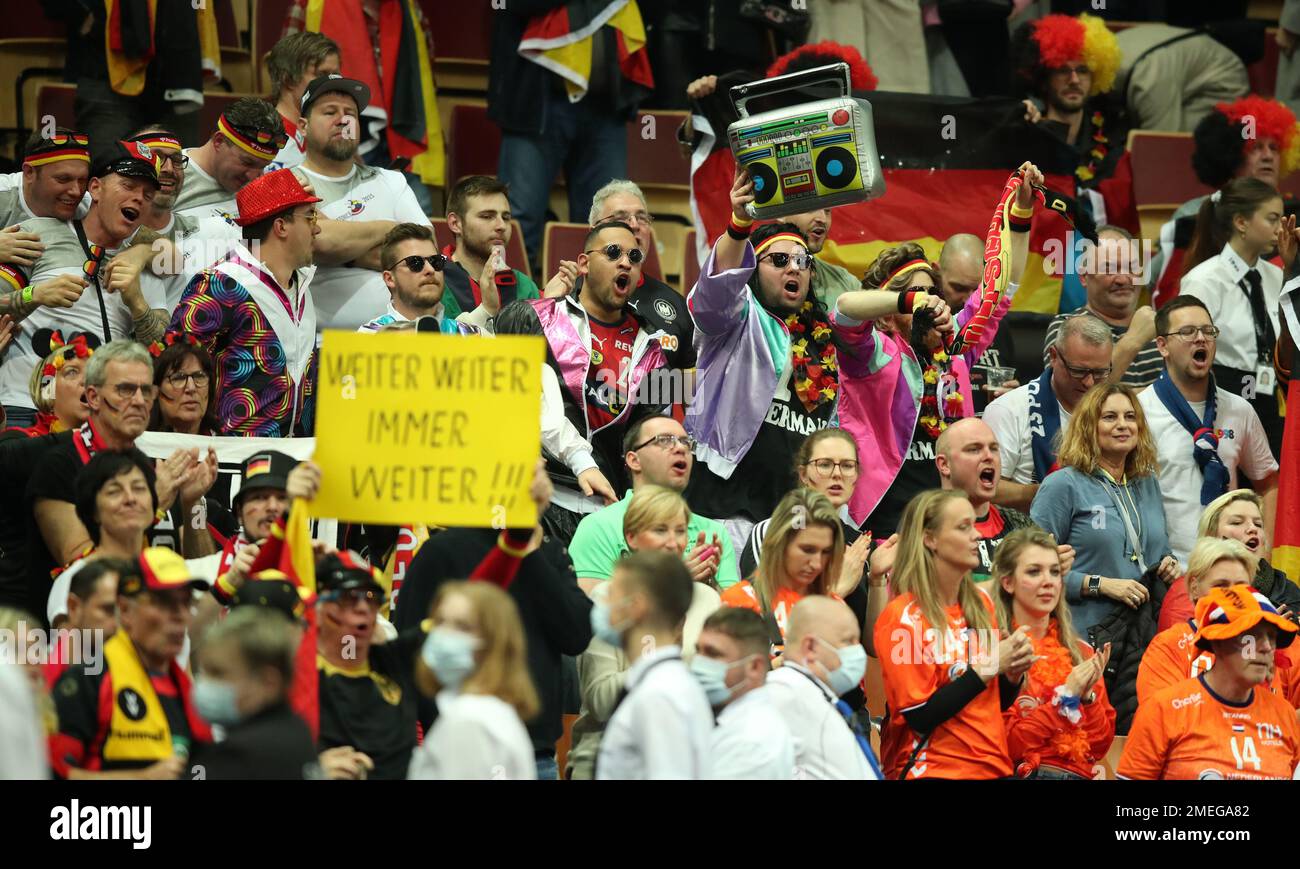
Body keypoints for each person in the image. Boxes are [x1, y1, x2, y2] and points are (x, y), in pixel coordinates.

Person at [833, 165, 1035, 533]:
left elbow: (1003, 288)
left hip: (949, 520)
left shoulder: (955, 348)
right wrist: (909, 300)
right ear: (889, 313)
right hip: (883, 522)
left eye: (933, 293)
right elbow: (845, 308)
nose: (929, 303)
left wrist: (1021, 215)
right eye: (915, 296)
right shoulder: (871, 353)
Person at [685, 168, 852, 549]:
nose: (794, 267)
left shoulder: (822, 333)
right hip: (724, 512)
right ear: (752, 272)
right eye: (778, 260)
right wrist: (739, 224)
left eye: (802, 260)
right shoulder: (736, 317)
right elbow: (713, 295)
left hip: (792, 520)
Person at [396, 459, 592, 781]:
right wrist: (443, 722)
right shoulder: (441, 553)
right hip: (456, 749)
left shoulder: (548, 551)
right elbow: (409, 649)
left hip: (536, 754)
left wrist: (528, 550)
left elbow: (576, 634)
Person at [27, 341, 217, 619]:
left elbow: (200, 570)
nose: (139, 401)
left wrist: (192, 506)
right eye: (126, 390)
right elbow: (83, 569)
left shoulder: (155, 466)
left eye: (145, 390)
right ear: (93, 397)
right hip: (86, 644)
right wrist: (154, 508)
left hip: (156, 632)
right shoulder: (59, 465)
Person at [0, 140, 172, 427]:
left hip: (101, 418)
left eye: (148, 194)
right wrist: (36, 295)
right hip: (24, 406)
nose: (140, 198)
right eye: (128, 186)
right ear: (95, 188)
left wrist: (137, 302)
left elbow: (163, 357)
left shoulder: (145, 265)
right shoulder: (38, 234)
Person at [529, 220, 670, 542]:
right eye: (613, 252)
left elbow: (653, 435)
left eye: (634, 257)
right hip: (542, 496)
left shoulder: (655, 350)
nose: (626, 262)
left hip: (609, 508)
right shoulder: (536, 318)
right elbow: (527, 403)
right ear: (583, 263)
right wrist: (580, 463)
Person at [874, 489, 1030, 780]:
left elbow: (996, 703)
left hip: (994, 766)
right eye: (963, 527)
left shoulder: (981, 605)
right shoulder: (901, 616)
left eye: (974, 525)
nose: (976, 536)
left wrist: (1012, 674)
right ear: (929, 539)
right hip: (935, 769)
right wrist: (991, 665)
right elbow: (920, 716)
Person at [490, 2, 649, 263]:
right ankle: (509, 301)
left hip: (605, 107)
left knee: (607, 223)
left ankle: (597, 302)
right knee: (519, 220)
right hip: (535, 103)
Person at [169, 168, 321, 437]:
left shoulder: (302, 286)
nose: (318, 228)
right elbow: (174, 367)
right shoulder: (218, 285)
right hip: (235, 454)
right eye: (309, 217)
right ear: (281, 226)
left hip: (297, 453)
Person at [1138, 296, 1278, 564]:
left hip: (1232, 569)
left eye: (1208, 331)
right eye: (1188, 332)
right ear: (1162, 346)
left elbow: (1269, 483)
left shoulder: (1239, 409)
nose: (1201, 338)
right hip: (1169, 570)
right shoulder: (1141, 412)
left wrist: (1264, 555)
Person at [1029, 383, 1178, 635]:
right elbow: (1031, 571)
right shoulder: (1063, 485)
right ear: (1089, 427)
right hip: (1086, 634)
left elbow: (1159, 549)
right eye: (1110, 417)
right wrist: (1101, 585)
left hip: (1145, 632)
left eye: (1130, 417)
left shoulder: (1147, 482)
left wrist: (1169, 562)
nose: (1123, 424)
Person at [48, 548, 211, 779]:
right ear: (124, 610)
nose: (179, 615)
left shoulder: (187, 692)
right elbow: (47, 773)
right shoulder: (89, 680)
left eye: (185, 602)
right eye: (164, 603)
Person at [1119, 584, 1300, 779]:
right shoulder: (1163, 710)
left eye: (1272, 638)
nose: (1266, 647)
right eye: (1252, 636)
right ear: (1218, 640)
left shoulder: (1285, 715)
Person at [294, 74, 432, 330]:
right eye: (330, 112)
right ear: (303, 126)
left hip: (406, 339)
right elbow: (322, 241)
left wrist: (345, 255)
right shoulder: (290, 183)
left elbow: (423, 251)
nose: (343, 120)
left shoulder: (390, 180)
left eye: (350, 113)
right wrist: (391, 228)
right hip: (326, 344)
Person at [993, 527, 1115, 780]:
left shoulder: (1080, 652)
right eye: (1034, 571)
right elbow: (1008, 746)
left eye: (1055, 572)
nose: (1048, 581)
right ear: (1007, 582)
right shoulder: (996, 649)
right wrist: (1066, 698)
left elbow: (1099, 746)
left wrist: (1088, 698)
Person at [1151, 96, 1297, 304]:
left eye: (1274, 148)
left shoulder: (1295, 214)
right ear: (1233, 154)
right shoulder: (1193, 213)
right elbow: (1159, 281)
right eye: (1256, 147)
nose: (1267, 156)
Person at [1179, 177, 1287, 457]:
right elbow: (1187, 351)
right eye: (1272, 219)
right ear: (1241, 222)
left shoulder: (1276, 276)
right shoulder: (1204, 280)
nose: (1280, 228)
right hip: (1222, 393)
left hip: (1271, 393)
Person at [569, 415, 736, 594]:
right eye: (664, 440)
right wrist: (678, 582)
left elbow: (733, 616)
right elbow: (591, 612)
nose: (680, 448)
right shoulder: (599, 526)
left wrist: (709, 583)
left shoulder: (714, 532)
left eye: (686, 442)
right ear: (634, 460)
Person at [593, 551, 714, 779]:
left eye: (611, 595)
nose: (603, 605)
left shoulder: (659, 696)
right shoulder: (661, 685)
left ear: (636, 607)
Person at [407, 582, 539, 780]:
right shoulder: (490, 711)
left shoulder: (467, 720)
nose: (444, 635)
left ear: (494, 641)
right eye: (440, 622)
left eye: (463, 626)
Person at [984, 312, 1115, 511]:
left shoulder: (1118, 413)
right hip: (1028, 534)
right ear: (1054, 357)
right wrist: (1058, 491)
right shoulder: (1008, 410)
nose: (1089, 382)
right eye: (1078, 371)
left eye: (1100, 373)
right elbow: (988, 489)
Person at [314, 549, 425, 781]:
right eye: (348, 598)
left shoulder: (393, 661)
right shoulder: (299, 676)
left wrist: (511, 546)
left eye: (371, 598)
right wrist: (309, 772)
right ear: (319, 607)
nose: (363, 608)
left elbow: (465, 610)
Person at [935, 417, 1075, 585]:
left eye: (994, 449)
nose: (989, 456)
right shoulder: (926, 528)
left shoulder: (1020, 525)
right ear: (944, 465)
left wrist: (1050, 570)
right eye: (974, 449)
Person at [187, 606, 318, 780]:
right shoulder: (296, 729)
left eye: (218, 673)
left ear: (268, 682)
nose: (204, 684)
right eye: (204, 672)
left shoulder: (241, 754)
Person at [1136, 538, 1272, 705]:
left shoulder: (1261, 647)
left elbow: (1267, 714)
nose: (1231, 596)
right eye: (1220, 585)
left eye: (1240, 587)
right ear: (1194, 588)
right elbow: (1158, 718)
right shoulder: (1167, 646)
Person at [766, 595, 881, 779]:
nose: (857, 651)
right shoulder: (783, 694)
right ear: (810, 647)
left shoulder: (822, 698)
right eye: (847, 641)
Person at [45, 449, 162, 629]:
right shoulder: (75, 580)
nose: (130, 499)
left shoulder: (164, 570)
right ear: (93, 511)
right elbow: (71, 655)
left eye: (139, 488)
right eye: (114, 492)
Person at [1012, 13, 1125, 197]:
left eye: (1082, 70)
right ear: (1043, 78)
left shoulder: (1113, 142)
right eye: (1063, 70)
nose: (1074, 80)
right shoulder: (1026, 133)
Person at [721, 488, 843, 657]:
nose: (817, 563)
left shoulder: (835, 606)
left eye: (826, 552)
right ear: (780, 542)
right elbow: (723, 677)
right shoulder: (741, 601)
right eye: (807, 550)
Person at [587, 180, 693, 369]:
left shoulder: (676, 306)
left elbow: (689, 389)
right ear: (595, 231)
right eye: (622, 217)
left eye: (642, 218)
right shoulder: (566, 297)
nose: (635, 225)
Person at [1160, 490, 1300, 631]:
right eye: (1237, 522)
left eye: (1258, 524)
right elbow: (1183, 646)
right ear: (1212, 536)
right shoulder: (1186, 589)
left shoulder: (1286, 589)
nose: (1252, 529)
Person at [1041, 227, 1161, 389]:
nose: (1122, 279)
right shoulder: (1067, 327)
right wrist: (1134, 340)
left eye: (1131, 268)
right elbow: (1071, 399)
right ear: (1084, 277)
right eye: (1109, 269)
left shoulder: (1164, 327)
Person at [692, 607, 795, 780]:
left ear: (754, 667)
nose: (699, 663)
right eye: (698, 651)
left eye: (712, 653)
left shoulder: (752, 740)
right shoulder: (724, 716)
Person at [440, 176, 547, 321]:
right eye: (487, 216)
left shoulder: (523, 285)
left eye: (506, 217)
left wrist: (549, 305)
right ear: (455, 223)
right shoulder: (434, 278)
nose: (501, 225)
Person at [1112, 23, 1249, 133]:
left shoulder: (1147, 82)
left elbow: (1158, 143)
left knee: (1174, 144)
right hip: (1173, 61)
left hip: (1222, 80)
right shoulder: (1100, 52)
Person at [357, 223, 493, 334]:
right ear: (389, 279)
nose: (430, 270)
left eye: (436, 261)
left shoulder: (474, 338)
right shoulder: (368, 338)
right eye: (415, 263)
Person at [172, 99, 287, 224]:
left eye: (263, 167)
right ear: (219, 141)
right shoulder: (170, 176)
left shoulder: (262, 188)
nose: (253, 178)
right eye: (247, 162)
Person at [209, 452, 299, 607]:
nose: (272, 507)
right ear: (238, 513)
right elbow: (193, 628)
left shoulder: (315, 564)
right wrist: (228, 584)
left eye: (282, 498)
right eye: (259, 497)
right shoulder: (209, 569)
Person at [940, 233, 1017, 414]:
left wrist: (1015, 396)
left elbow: (1011, 380)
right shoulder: (928, 332)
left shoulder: (1000, 327)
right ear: (937, 272)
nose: (968, 299)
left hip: (993, 432)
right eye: (958, 288)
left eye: (977, 290)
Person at [264, 32, 342, 172]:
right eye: (321, 75)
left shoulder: (328, 137)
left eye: (336, 75)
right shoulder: (264, 141)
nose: (332, 83)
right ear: (288, 80)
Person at [3, 330, 96, 437]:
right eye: (72, 372)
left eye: (92, 372)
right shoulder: (21, 443)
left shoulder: (114, 446)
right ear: (47, 388)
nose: (86, 381)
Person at [0, 128, 90, 232]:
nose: (77, 192)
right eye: (63, 179)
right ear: (29, 172)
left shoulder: (89, 206)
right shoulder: (3, 194)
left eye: (82, 180)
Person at [781, 206, 860, 313]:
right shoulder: (753, 277)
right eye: (811, 207)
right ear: (780, 214)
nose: (823, 219)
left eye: (827, 210)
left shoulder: (847, 283)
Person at [146, 336, 220, 436]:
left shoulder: (230, 448)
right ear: (155, 390)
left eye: (199, 376)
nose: (191, 388)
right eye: (178, 378)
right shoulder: (134, 446)